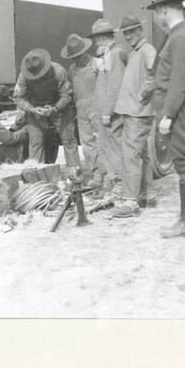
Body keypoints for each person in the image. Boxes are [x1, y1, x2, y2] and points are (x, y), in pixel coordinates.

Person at [146, 0, 185, 238]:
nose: (156, 18)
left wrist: (168, 114)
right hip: (178, 108)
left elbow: (178, 81)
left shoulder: (179, 37)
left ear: (165, 10)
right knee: (184, 162)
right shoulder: (180, 35)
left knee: (184, 164)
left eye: (156, 12)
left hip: (178, 110)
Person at [111, 13, 156, 218]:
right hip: (134, 110)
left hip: (137, 111)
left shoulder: (147, 50)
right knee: (141, 154)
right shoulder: (137, 52)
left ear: (141, 30)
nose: (128, 36)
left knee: (131, 155)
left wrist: (142, 95)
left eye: (131, 31)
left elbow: (157, 75)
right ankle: (146, 195)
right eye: (126, 33)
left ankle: (130, 201)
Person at [13, 47, 80, 174]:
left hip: (59, 109)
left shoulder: (58, 71)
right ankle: (37, 178)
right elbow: (18, 97)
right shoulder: (23, 76)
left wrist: (55, 109)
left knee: (69, 141)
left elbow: (66, 96)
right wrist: (32, 109)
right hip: (35, 109)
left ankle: (76, 175)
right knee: (35, 142)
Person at [90, 18, 126, 199]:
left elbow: (115, 86)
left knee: (114, 147)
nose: (96, 42)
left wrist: (107, 111)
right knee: (107, 147)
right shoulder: (109, 54)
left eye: (97, 38)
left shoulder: (115, 54)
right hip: (105, 112)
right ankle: (113, 182)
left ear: (103, 37)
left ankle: (120, 185)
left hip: (110, 114)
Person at [62, 32, 102, 187]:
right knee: (87, 144)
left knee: (101, 142)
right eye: (73, 56)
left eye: (78, 55)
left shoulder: (98, 64)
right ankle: (96, 174)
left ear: (85, 50)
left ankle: (107, 176)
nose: (76, 58)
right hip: (81, 111)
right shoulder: (72, 69)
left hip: (97, 108)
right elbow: (72, 89)